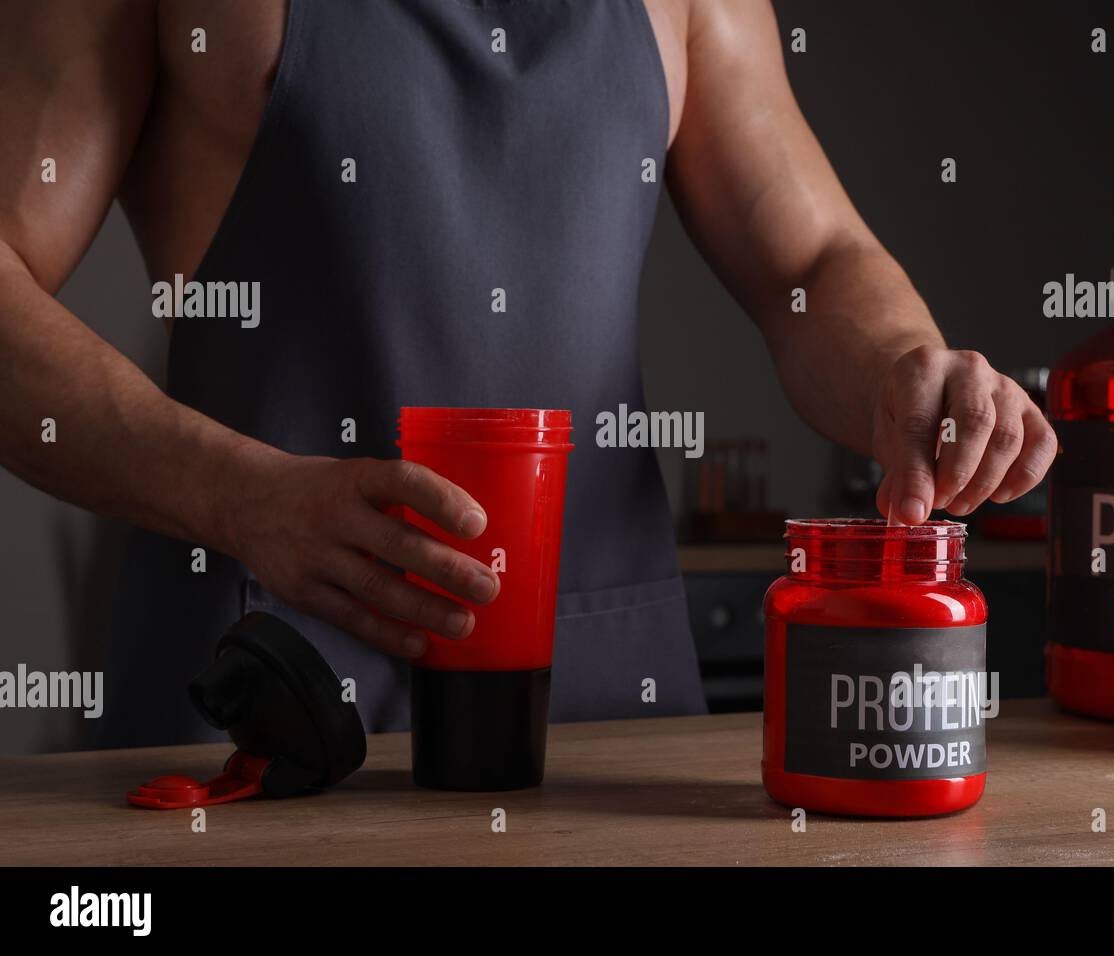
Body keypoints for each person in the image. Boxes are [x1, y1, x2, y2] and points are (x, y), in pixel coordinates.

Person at [0, 0, 1056, 746]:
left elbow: (812, 259)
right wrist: (235, 493)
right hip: (264, 682)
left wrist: (902, 367)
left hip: (604, 706)